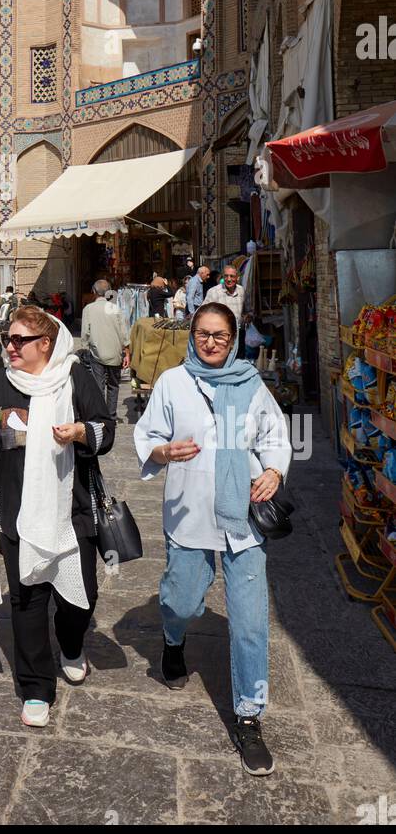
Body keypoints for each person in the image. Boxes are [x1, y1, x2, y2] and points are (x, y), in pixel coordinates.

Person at [133, 301, 291, 776]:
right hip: (189, 515)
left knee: (248, 623)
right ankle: (173, 640)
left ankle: (248, 716)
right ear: (192, 334)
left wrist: (273, 471)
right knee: (181, 601)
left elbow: (276, 436)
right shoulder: (172, 383)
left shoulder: (251, 383)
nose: (211, 343)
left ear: (234, 337)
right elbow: (147, 436)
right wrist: (162, 451)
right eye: (203, 333)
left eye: (220, 335)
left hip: (242, 519)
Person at [0, 307, 114, 728]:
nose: (10, 346)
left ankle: (72, 644)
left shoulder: (75, 378)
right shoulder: (0, 384)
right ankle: (36, 687)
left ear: (47, 344)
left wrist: (80, 432)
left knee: (83, 597)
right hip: (17, 511)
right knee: (27, 602)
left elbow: (105, 429)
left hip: (72, 509)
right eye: (9, 338)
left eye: (21, 340)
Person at [80, 281, 130, 423]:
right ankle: (111, 417)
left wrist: (84, 348)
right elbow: (124, 332)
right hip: (115, 353)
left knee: (98, 385)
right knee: (113, 385)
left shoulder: (88, 309)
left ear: (94, 291)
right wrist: (127, 352)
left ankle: (100, 416)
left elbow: (85, 334)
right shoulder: (115, 308)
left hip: (97, 353)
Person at [202, 264, 247, 354]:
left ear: (237, 278)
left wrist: (248, 316)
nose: (229, 279)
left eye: (232, 276)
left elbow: (248, 310)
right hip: (220, 336)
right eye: (226, 276)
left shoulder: (242, 291)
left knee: (239, 360)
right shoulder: (214, 292)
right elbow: (204, 313)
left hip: (239, 334)